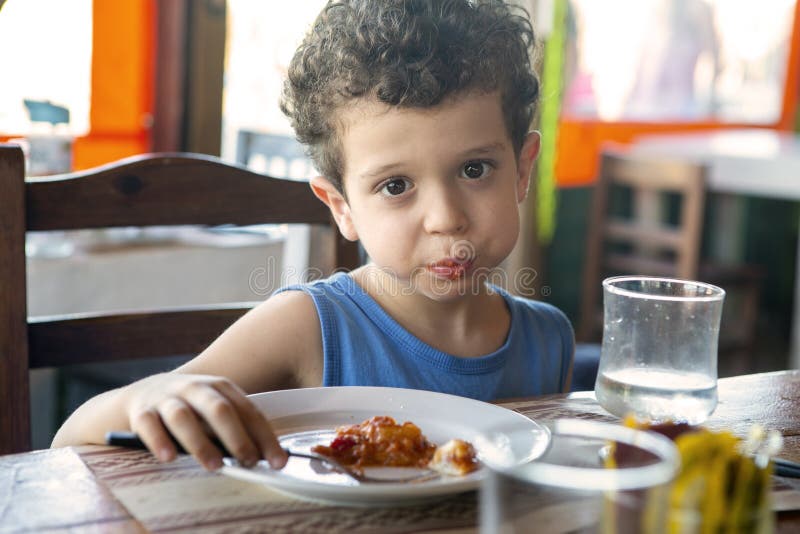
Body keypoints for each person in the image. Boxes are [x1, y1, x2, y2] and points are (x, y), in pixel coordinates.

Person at [52, 0, 574, 472]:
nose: (445, 218)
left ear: (523, 170)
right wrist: (154, 396)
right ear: (341, 207)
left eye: (475, 170)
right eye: (396, 185)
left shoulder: (549, 339)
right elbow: (70, 442)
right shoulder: (305, 327)